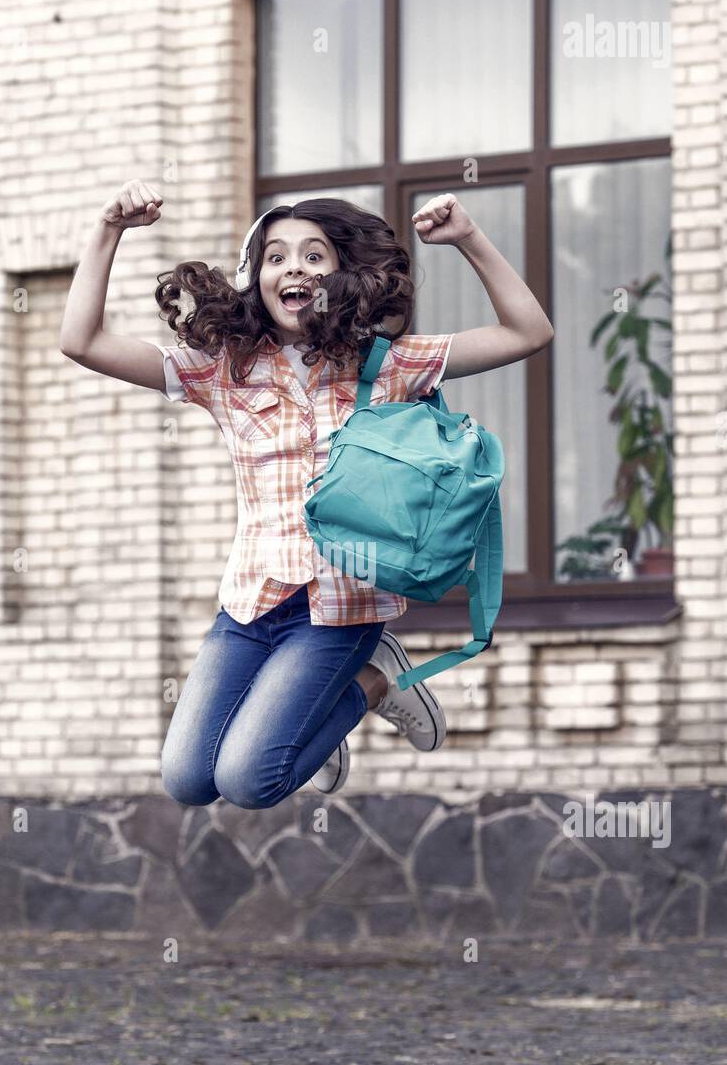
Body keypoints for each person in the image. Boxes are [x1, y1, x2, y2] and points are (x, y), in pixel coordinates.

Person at [59, 182, 553, 807]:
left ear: (343, 275)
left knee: (249, 781)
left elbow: (527, 331)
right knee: (187, 780)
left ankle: (374, 681)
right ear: (255, 278)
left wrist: (468, 239)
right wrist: (109, 229)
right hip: (252, 603)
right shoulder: (221, 368)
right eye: (276, 256)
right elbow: (82, 341)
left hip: (344, 606)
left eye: (315, 255)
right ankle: (313, 720)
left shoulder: (388, 362)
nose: (295, 266)